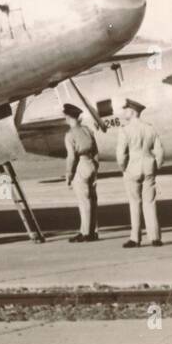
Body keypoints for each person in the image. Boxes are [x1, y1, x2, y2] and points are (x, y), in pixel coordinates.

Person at [116, 98, 164, 248]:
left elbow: (121, 154)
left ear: (132, 111)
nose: (124, 112)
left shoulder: (125, 130)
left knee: (134, 203)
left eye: (126, 110)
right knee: (150, 203)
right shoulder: (150, 128)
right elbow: (160, 151)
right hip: (149, 166)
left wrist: (123, 167)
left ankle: (135, 239)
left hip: (132, 168)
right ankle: (155, 237)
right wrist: (157, 165)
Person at [62, 103, 100, 242]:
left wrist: (69, 173)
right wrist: (96, 166)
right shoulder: (87, 130)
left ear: (68, 117)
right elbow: (96, 150)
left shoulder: (70, 135)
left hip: (81, 165)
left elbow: (71, 157)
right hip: (91, 164)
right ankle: (94, 231)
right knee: (93, 200)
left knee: (84, 201)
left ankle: (85, 233)